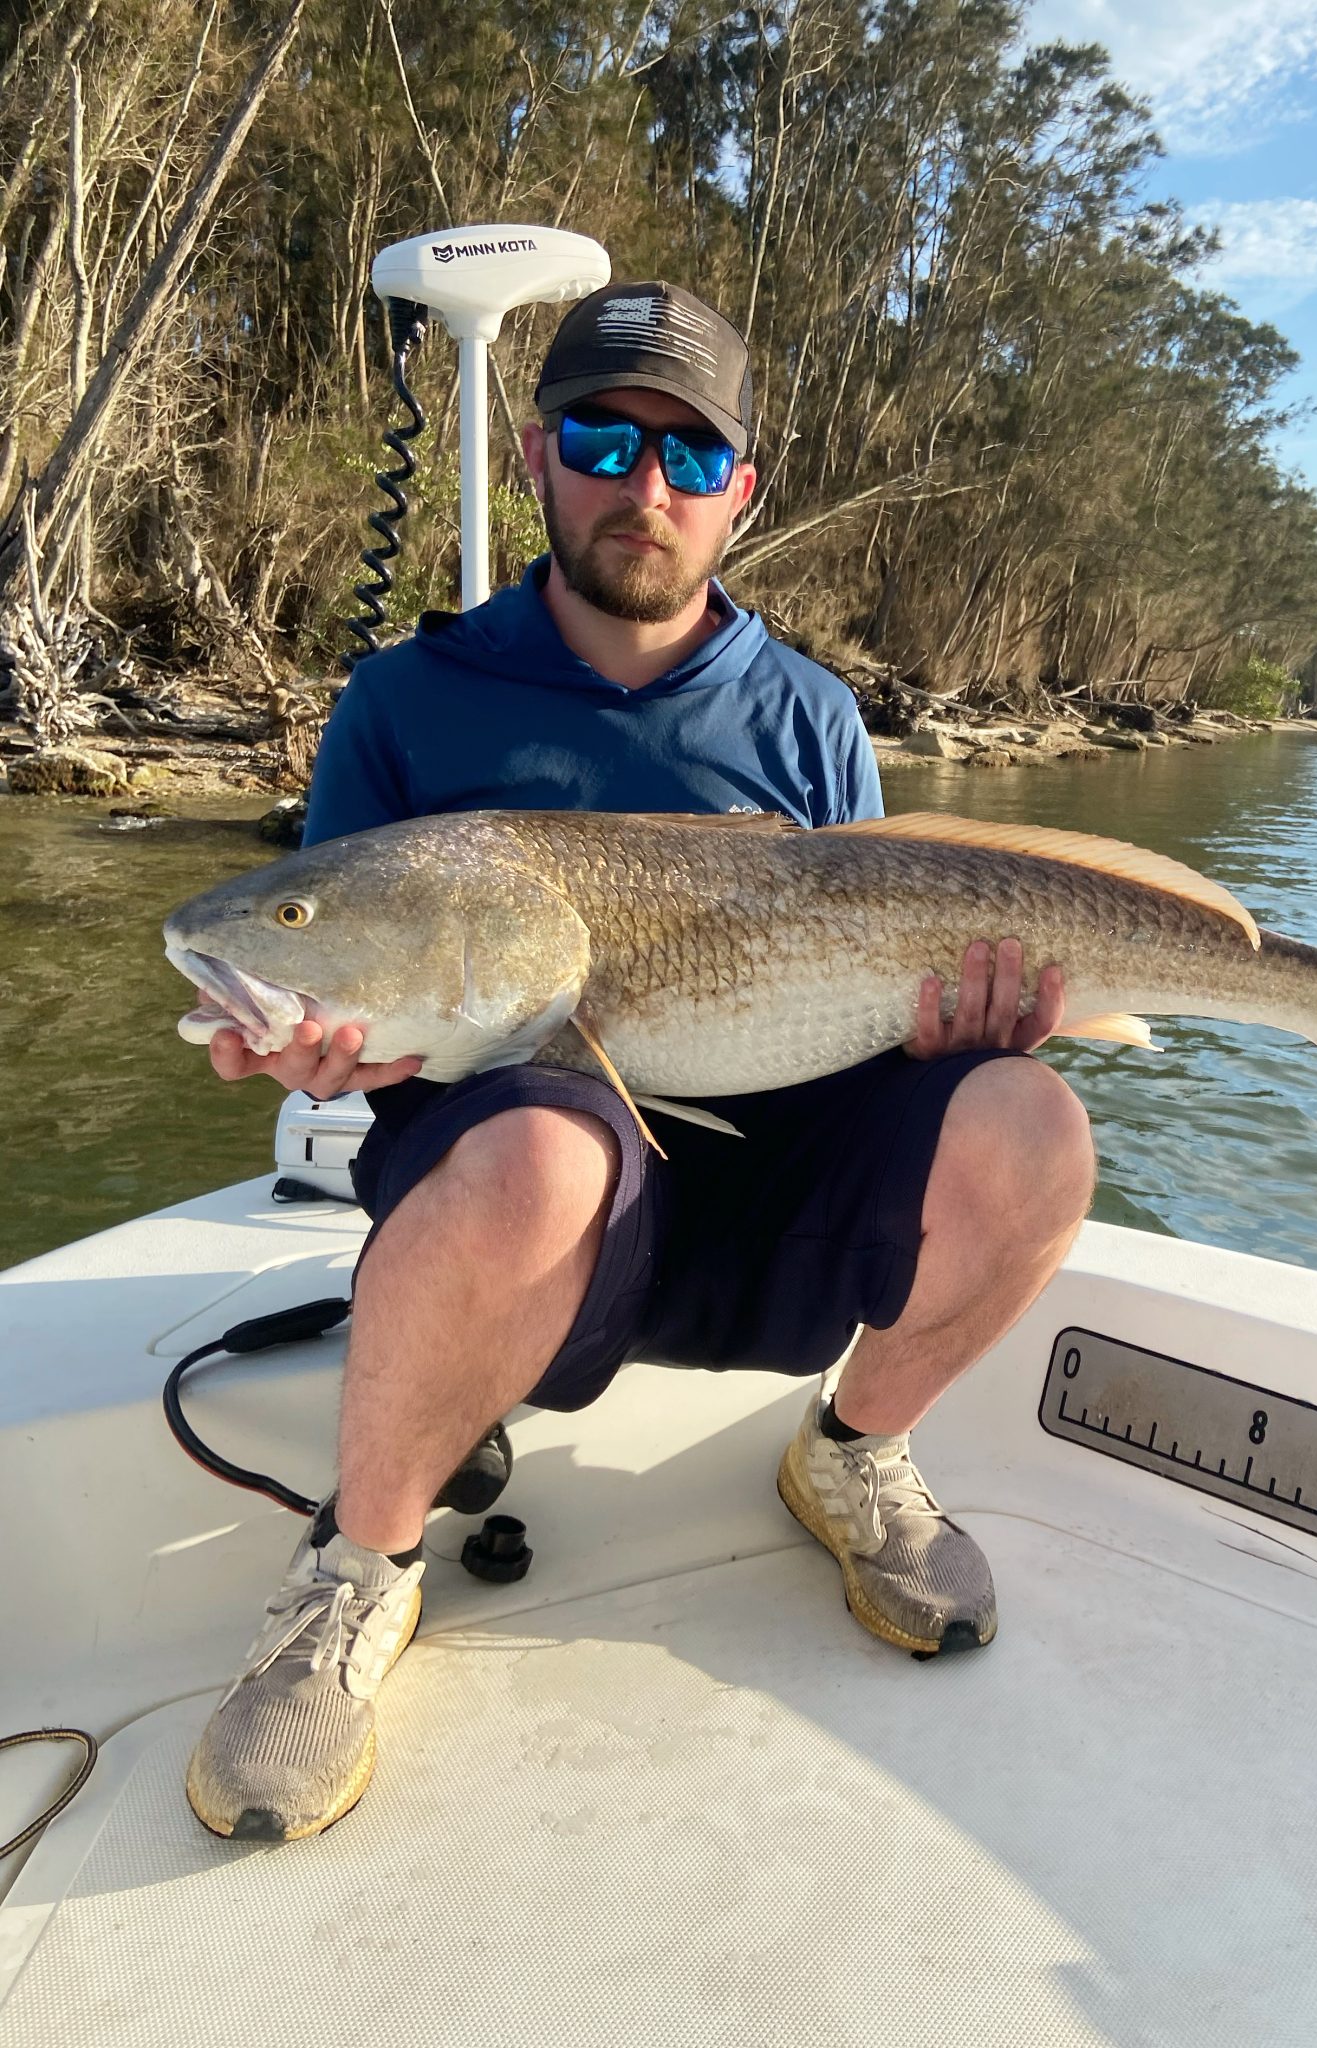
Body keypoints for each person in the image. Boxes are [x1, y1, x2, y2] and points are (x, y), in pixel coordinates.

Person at [184, 281, 1096, 1842]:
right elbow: (339, 955)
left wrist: (962, 1026)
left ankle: (853, 1454)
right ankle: (358, 1571)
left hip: (760, 1134)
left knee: (1033, 1126)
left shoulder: (810, 714)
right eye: (605, 438)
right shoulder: (405, 700)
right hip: (511, 1161)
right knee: (540, 1146)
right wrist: (316, 1039)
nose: (644, 485)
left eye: (691, 452)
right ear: (538, 455)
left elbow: (873, 969)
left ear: (743, 487)